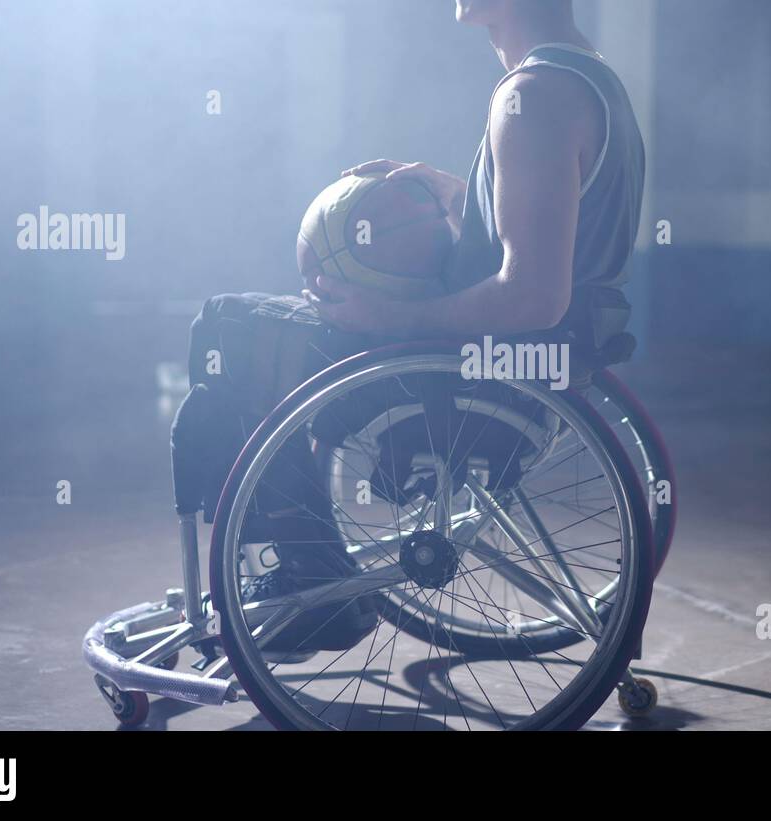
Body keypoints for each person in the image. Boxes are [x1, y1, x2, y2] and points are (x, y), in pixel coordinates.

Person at [178, 0, 646, 653]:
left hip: (477, 379)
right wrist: (454, 192)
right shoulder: (584, 77)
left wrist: (391, 319)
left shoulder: (533, 98)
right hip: (526, 366)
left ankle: (311, 578)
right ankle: (308, 566)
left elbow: (534, 294)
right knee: (267, 331)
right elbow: (550, 224)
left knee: (237, 337)